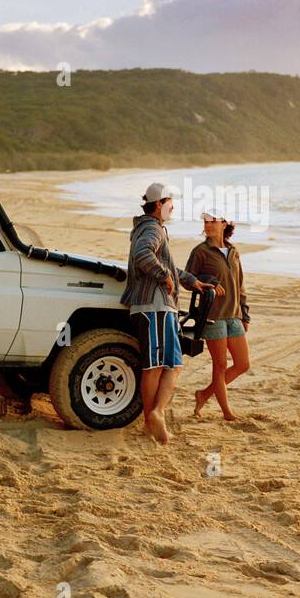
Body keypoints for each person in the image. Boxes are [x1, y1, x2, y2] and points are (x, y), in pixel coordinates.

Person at [120, 182, 223, 444]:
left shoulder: (151, 228)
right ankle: (155, 414)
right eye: (170, 203)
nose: (173, 207)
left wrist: (190, 280)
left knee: (170, 364)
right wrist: (163, 275)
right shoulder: (151, 228)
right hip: (154, 306)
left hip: (157, 307)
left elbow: (166, 264)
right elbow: (144, 256)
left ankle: (151, 420)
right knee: (156, 366)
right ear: (158, 204)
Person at [186, 211, 250, 421]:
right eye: (206, 221)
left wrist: (245, 313)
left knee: (242, 364)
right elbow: (188, 279)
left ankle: (204, 394)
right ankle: (226, 412)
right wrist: (208, 280)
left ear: (224, 224)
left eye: (213, 221)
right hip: (213, 315)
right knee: (220, 365)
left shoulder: (233, 251)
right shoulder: (200, 252)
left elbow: (240, 284)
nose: (209, 225)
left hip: (234, 314)